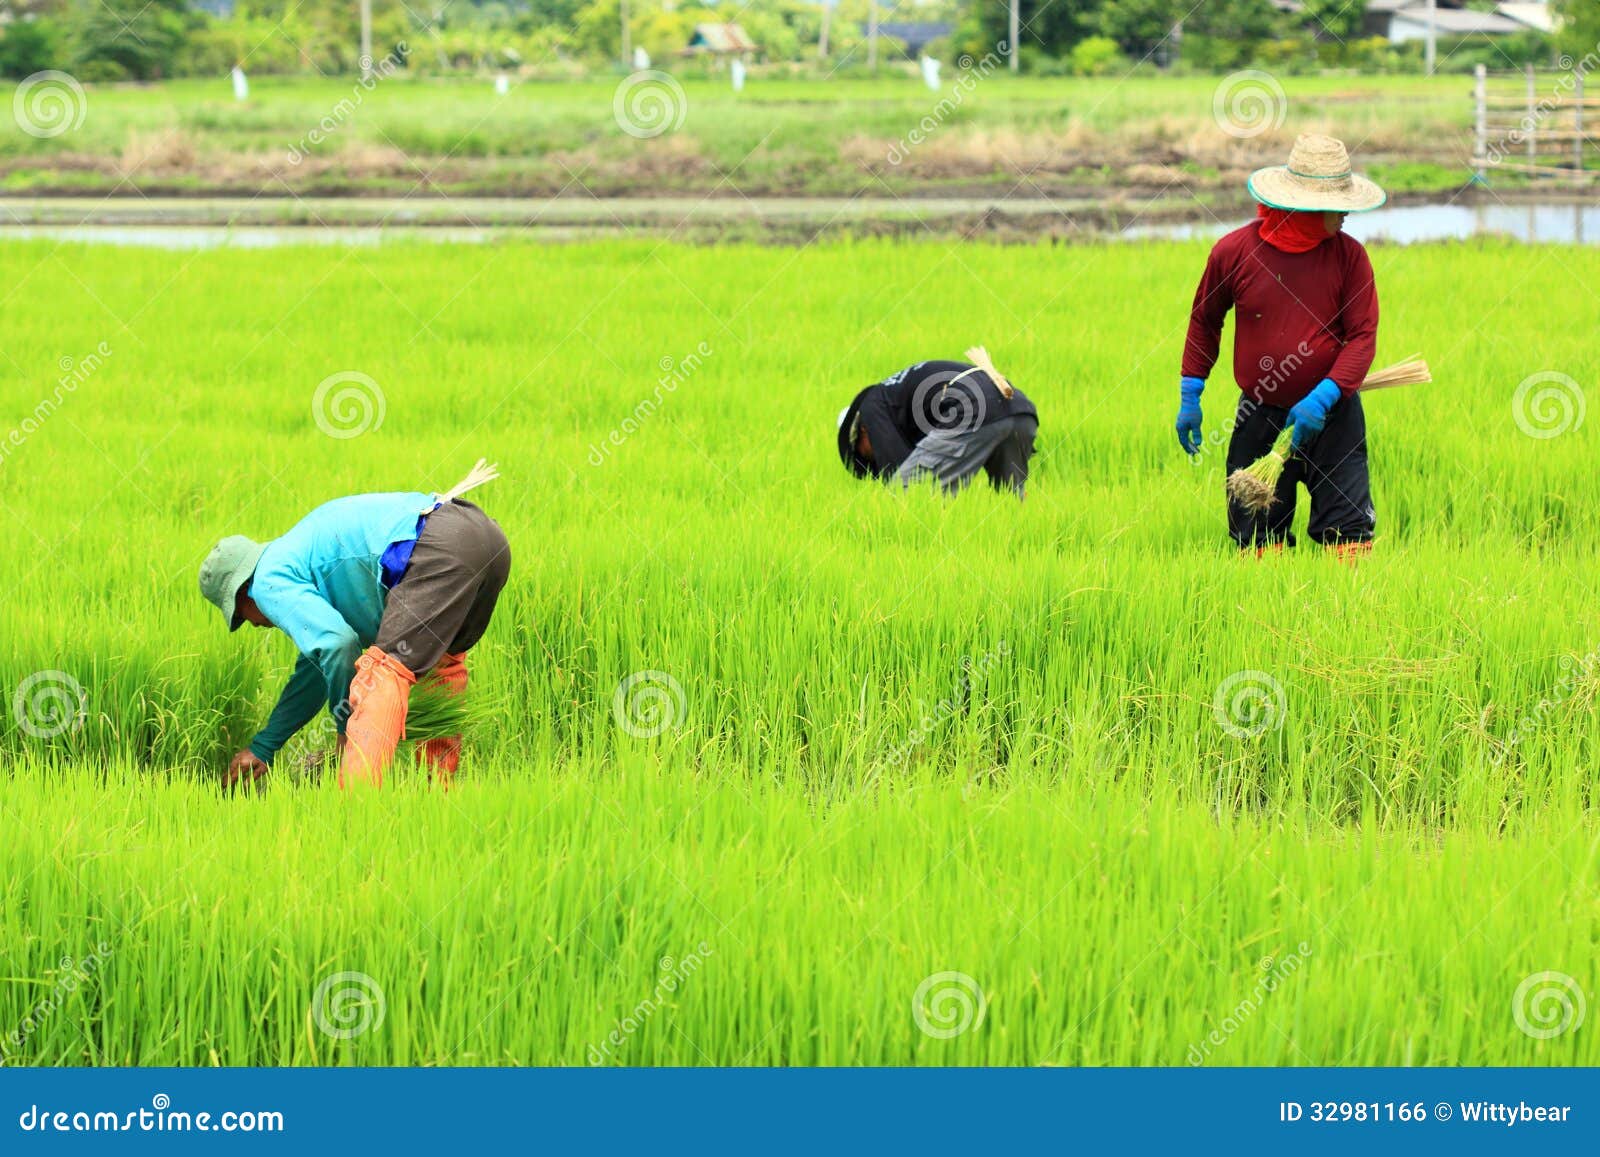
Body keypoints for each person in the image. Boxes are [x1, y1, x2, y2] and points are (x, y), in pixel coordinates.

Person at [197, 461, 509, 792]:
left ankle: (357, 811)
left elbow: (336, 644)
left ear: (245, 591)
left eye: (242, 616)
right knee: (439, 670)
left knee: (383, 674)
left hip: (436, 546)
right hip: (483, 537)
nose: (254, 624)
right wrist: (265, 746)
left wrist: (346, 729)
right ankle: (437, 796)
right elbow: (317, 670)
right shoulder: (297, 553)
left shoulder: (268, 578)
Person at [1175, 133, 1383, 560]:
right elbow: (1205, 320)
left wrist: (1323, 398)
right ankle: (1268, 620)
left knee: (1350, 537)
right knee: (1256, 541)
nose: (1345, 214)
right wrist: (1191, 392)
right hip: (1259, 414)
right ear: (1306, 205)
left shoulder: (1350, 257)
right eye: (1337, 206)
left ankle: (1353, 620)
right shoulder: (1233, 252)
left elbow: (1362, 338)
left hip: (1334, 417)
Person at [837, 351, 1038, 498]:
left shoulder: (872, 408)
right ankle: (1029, 540)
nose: (869, 459)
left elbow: (898, 470)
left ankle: (917, 548)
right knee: (1010, 500)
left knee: (906, 492)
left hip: (974, 412)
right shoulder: (895, 398)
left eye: (861, 453)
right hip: (1020, 411)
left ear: (863, 430)